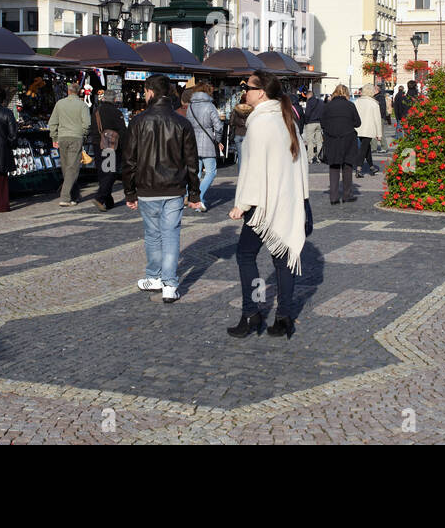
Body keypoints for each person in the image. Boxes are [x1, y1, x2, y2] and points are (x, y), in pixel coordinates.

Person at [227, 71, 310, 339]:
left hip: (262, 203)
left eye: (247, 87)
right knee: (283, 259)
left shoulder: (260, 122)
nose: (244, 91)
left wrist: (243, 203)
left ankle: (252, 312)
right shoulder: (286, 119)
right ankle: (284, 317)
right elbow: (302, 163)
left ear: (261, 92)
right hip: (289, 201)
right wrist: (304, 200)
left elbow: (253, 167)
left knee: (245, 255)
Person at [122, 73, 202, 303]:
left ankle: (157, 277)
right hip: (174, 188)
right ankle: (168, 283)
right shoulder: (182, 122)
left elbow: (129, 161)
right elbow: (192, 162)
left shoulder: (138, 121)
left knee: (153, 235)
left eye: (145, 91)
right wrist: (194, 193)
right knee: (170, 235)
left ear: (150, 92)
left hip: (147, 188)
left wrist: (130, 192)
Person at [48, 83, 90, 207]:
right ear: (79, 92)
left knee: (67, 168)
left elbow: (53, 122)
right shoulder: (83, 105)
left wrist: (54, 137)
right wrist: (83, 134)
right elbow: (87, 124)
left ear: (68, 91)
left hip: (62, 137)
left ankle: (74, 195)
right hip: (76, 137)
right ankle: (65, 197)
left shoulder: (59, 104)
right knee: (73, 168)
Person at [185, 80, 223, 212]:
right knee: (211, 172)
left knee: (196, 172)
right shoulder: (210, 106)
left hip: (192, 141)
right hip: (207, 141)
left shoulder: (190, 106)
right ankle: (198, 197)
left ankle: (190, 196)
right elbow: (218, 126)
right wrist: (217, 140)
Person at [322, 84, 361, 204]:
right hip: (348, 138)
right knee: (347, 167)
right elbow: (357, 123)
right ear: (346, 93)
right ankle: (346, 195)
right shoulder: (350, 105)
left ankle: (333, 197)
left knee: (333, 167)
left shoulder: (328, 106)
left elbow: (322, 123)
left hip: (332, 139)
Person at [89, 89, 127, 211]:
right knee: (111, 172)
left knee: (103, 172)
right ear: (115, 100)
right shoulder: (116, 112)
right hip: (111, 145)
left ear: (104, 98)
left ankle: (108, 200)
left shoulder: (96, 111)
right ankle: (100, 197)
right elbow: (122, 131)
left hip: (97, 144)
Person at [354, 83, 383, 177]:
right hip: (369, 129)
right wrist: (379, 134)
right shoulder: (374, 103)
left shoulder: (357, 101)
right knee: (364, 148)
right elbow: (377, 120)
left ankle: (371, 167)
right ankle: (359, 168)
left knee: (366, 148)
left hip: (358, 128)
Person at [304, 90, 326, 162]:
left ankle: (310, 158)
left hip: (311, 123)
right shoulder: (320, 101)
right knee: (319, 141)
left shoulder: (309, 102)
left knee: (310, 141)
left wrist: (306, 122)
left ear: (308, 95)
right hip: (319, 123)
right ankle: (319, 157)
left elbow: (307, 113)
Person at [375, 81, 389, 152]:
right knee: (375, 132)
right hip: (379, 116)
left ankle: (385, 147)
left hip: (380, 117)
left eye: (374, 90)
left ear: (377, 90)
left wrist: (380, 116)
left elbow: (382, 108)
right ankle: (374, 147)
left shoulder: (380, 97)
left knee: (380, 132)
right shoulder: (377, 96)